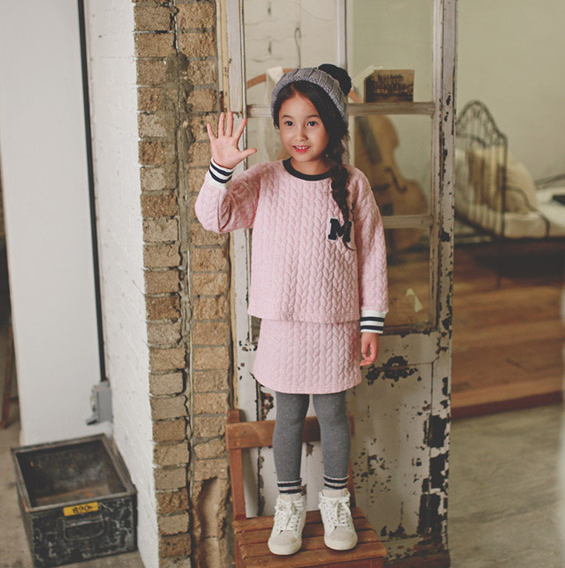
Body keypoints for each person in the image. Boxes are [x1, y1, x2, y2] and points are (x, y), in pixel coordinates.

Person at [195, 65, 388, 556]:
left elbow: (372, 257)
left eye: (311, 122)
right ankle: (289, 506)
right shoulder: (264, 179)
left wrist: (371, 323)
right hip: (283, 324)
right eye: (288, 122)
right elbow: (215, 217)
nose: (298, 134)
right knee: (288, 416)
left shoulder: (354, 184)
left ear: (332, 125)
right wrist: (220, 169)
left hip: (335, 325)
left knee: (334, 415)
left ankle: (336, 502)